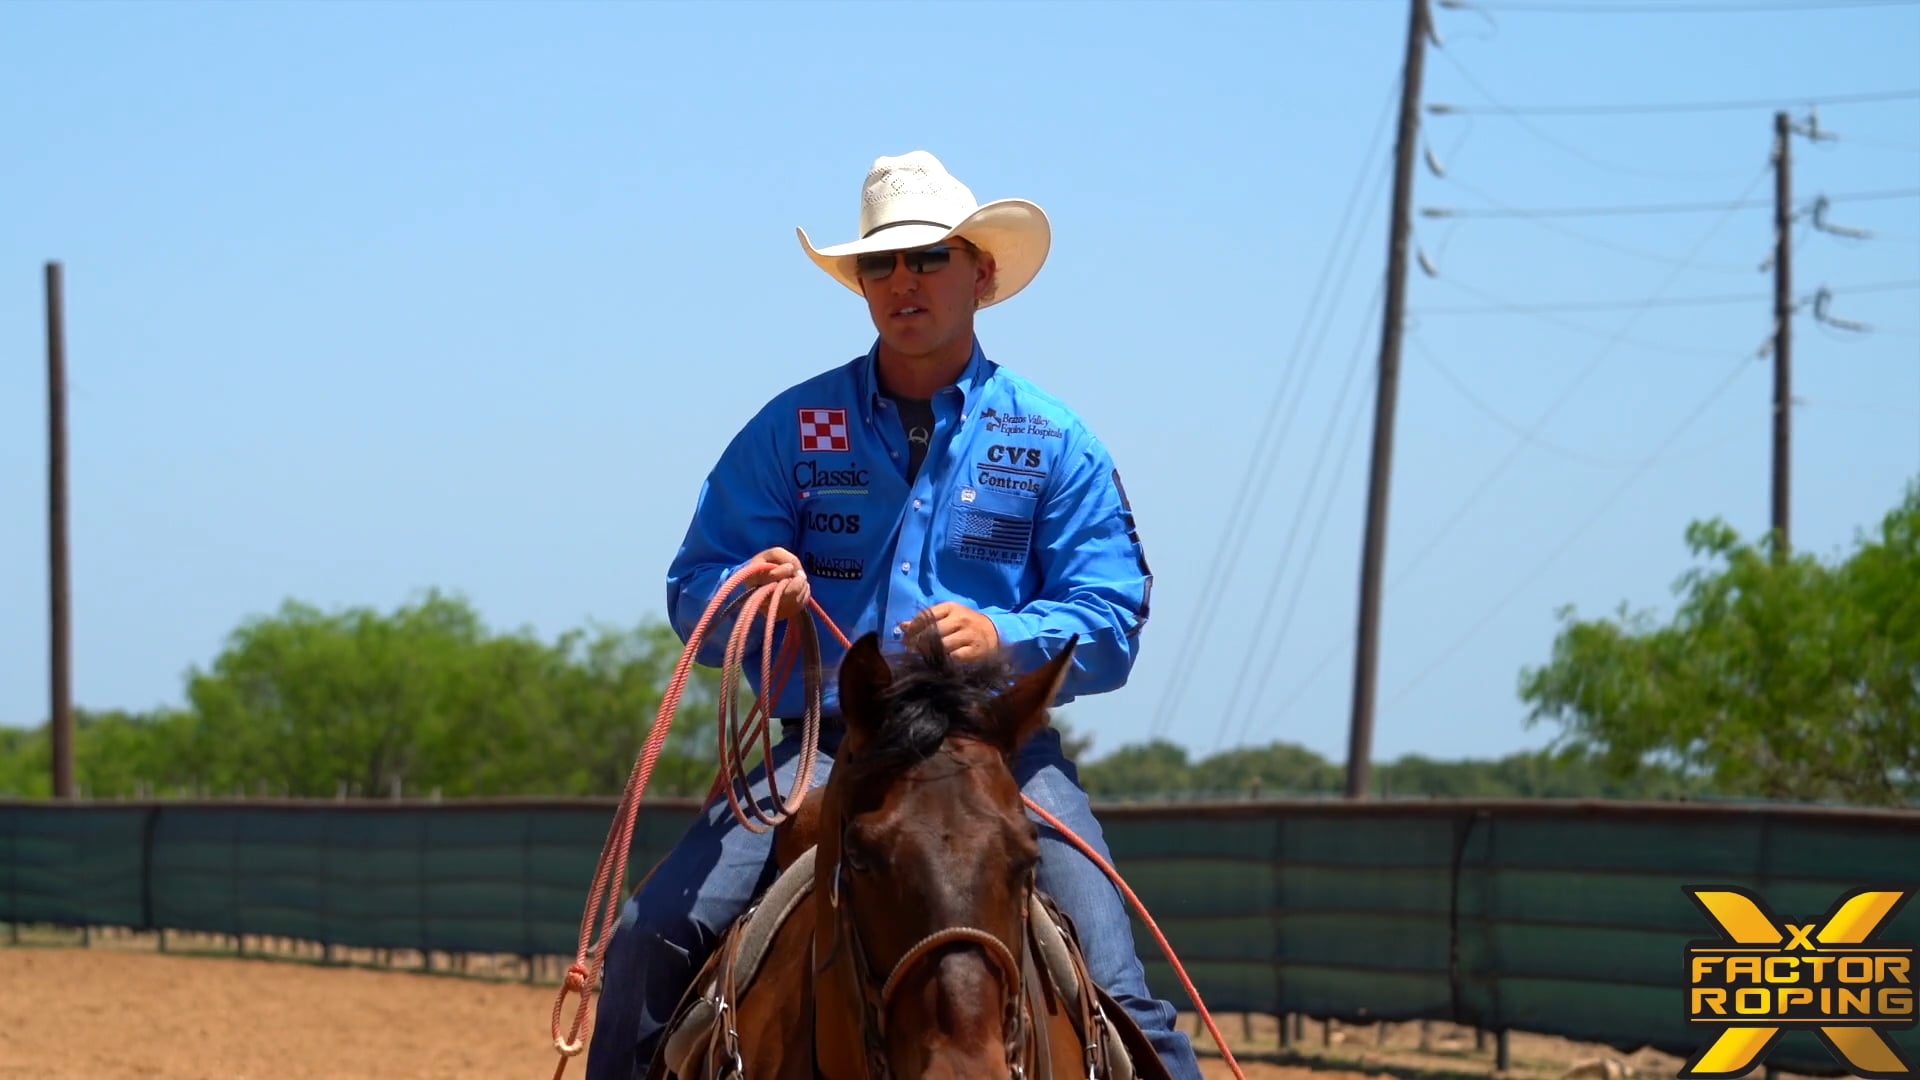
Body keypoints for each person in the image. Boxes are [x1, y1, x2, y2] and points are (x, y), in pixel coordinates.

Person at [587, 150, 1202, 1080]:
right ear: (863, 285)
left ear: (980, 274)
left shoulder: (1053, 441)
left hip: (999, 755)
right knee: (647, 942)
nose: (903, 281)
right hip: (821, 754)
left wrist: (1007, 638)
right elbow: (694, 588)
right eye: (882, 263)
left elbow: (1111, 617)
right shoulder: (792, 431)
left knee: (1118, 985)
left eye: (929, 258)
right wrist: (753, 595)